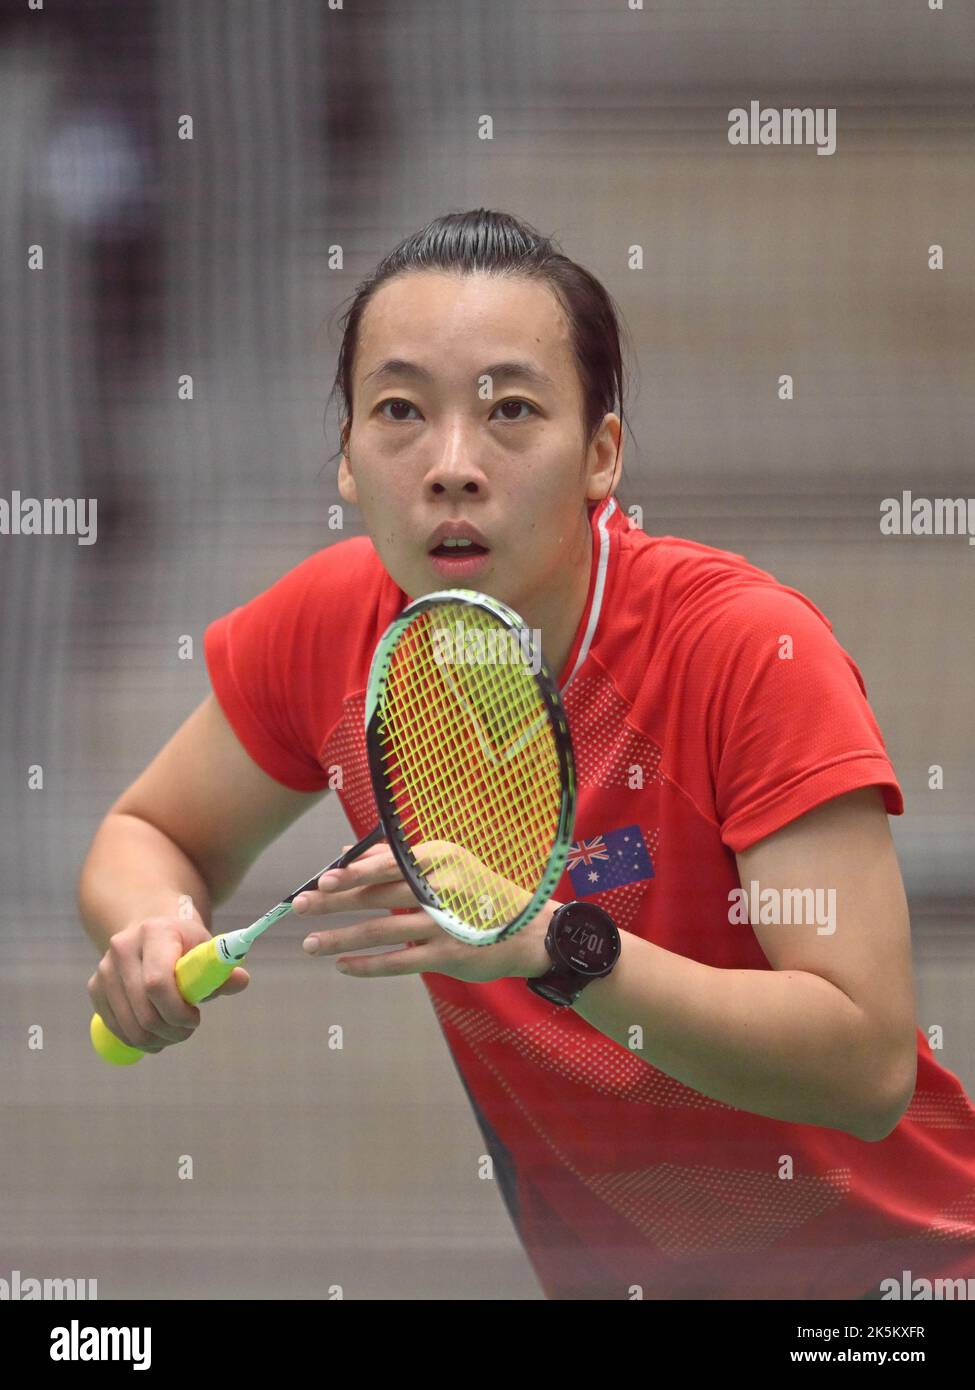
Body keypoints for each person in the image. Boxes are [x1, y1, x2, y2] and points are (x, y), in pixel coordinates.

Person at [79, 208, 975, 1301]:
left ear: (602, 455)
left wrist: (553, 944)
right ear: (350, 462)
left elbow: (867, 1065)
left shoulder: (744, 651)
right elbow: (151, 834)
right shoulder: (331, 630)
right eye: (401, 411)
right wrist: (146, 925)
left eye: (511, 411)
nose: (452, 465)